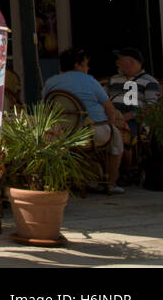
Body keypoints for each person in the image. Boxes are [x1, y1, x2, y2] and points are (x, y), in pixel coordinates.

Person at [42, 48, 129, 193]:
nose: (88, 68)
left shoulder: (51, 82)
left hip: (62, 133)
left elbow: (45, 105)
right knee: (116, 141)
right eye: (86, 64)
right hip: (91, 131)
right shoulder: (90, 81)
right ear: (77, 65)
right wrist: (110, 122)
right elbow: (109, 107)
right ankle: (111, 183)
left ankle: (78, 179)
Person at [106, 47, 159, 183]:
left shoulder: (149, 82)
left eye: (120, 59)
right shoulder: (113, 79)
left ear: (130, 62)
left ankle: (126, 171)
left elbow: (151, 107)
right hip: (112, 117)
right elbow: (103, 99)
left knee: (122, 132)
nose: (117, 63)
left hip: (135, 120)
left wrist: (130, 115)